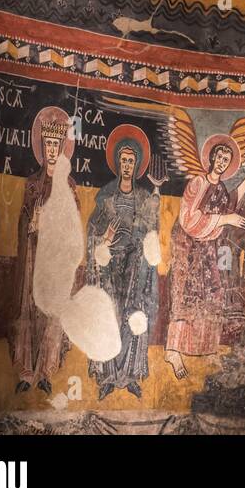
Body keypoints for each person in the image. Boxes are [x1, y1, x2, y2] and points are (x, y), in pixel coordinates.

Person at [164, 137, 245, 378]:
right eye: (219, 157)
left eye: (226, 160)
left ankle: (202, 348)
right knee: (186, 297)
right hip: (189, 250)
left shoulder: (221, 189)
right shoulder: (198, 183)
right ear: (212, 158)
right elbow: (188, 218)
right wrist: (224, 220)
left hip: (208, 251)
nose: (222, 162)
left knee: (211, 296)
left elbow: (229, 206)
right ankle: (174, 352)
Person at [86, 128, 162, 399]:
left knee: (133, 317)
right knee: (109, 317)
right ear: (118, 163)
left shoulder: (143, 198)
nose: (127, 165)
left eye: (132, 161)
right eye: (124, 160)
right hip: (109, 267)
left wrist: (156, 190)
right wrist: (103, 239)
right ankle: (108, 376)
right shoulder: (106, 197)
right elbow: (92, 232)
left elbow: (152, 228)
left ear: (136, 164)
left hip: (134, 268)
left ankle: (128, 375)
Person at [10, 108, 77, 394]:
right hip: (33, 261)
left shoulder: (69, 186)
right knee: (29, 310)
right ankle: (26, 372)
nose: (52, 150)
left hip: (56, 263)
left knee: (52, 315)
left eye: (56, 145)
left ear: (62, 149)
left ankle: (47, 372)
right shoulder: (32, 184)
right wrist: (32, 225)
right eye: (48, 144)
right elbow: (24, 222)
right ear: (42, 147)